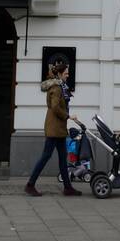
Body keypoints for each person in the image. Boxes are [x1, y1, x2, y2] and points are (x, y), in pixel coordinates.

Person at [24, 57, 81, 197]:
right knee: (46, 156)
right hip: (54, 128)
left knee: (63, 158)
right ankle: (30, 185)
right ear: (60, 74)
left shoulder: (61, 87)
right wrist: (68, 116)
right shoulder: (56, 88)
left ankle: (68, 187)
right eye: (66, 73)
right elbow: (55, 107)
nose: (68, 75)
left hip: (58, 128)